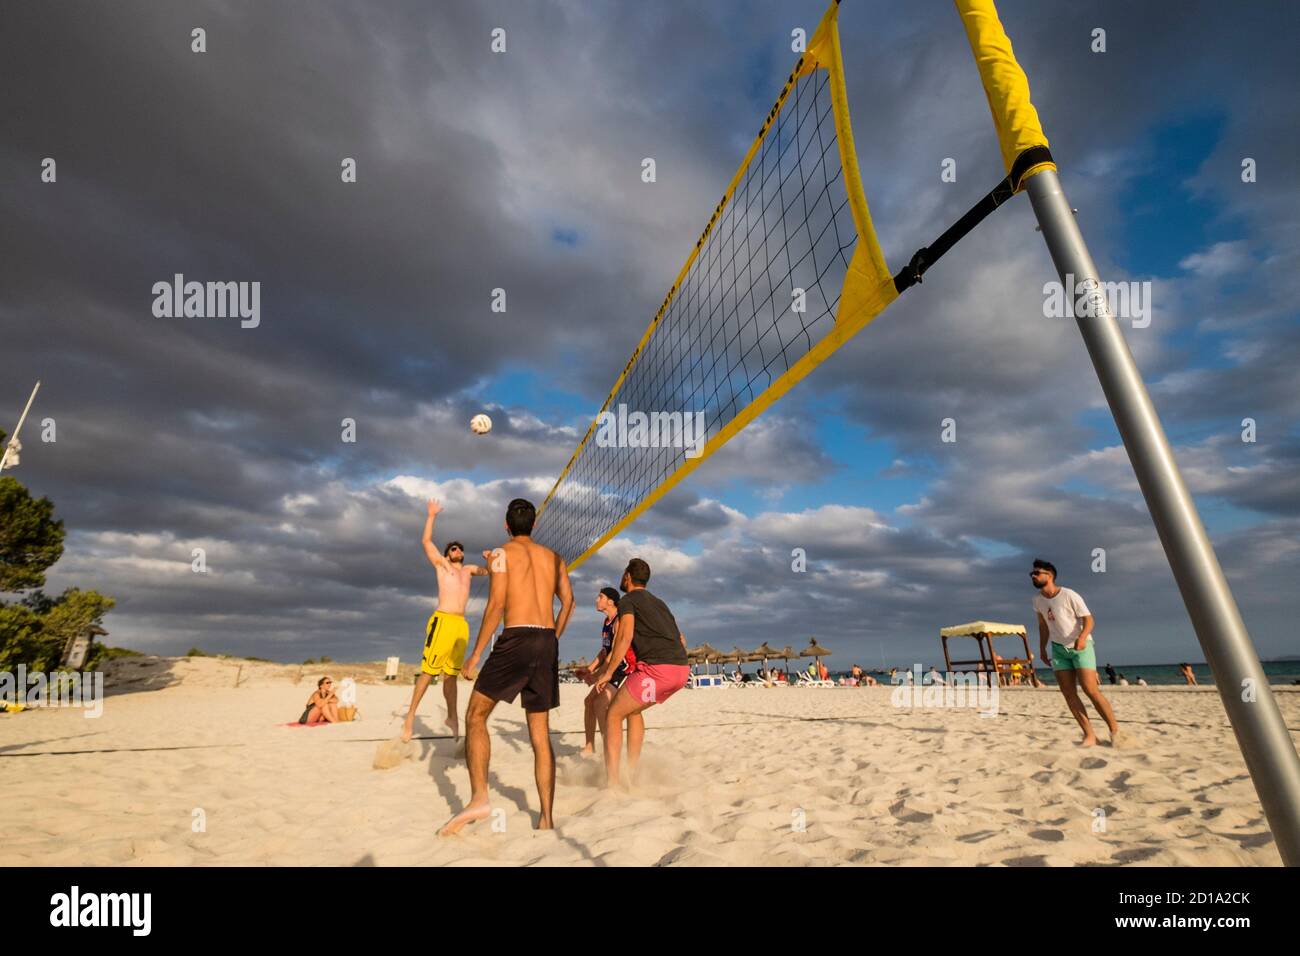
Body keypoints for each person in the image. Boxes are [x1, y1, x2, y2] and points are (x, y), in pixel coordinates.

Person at [440, 499, 575, 835]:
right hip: (546, 640)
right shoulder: (554, 557)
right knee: (540, 735)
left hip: (517, 637)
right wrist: (553, 637)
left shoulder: (502, 553)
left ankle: (480, 798)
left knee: (475, 716)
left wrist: (474, 656)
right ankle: (546, 818)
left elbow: (497, 604)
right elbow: (569, 602)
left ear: (505, 525)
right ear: (534, 524)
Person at [592, 558, 689, 788]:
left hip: (657, 671)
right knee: (632, 711)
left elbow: (624, 638)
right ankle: (633, 773)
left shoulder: (628, 600)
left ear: (627, 576)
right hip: (681, 670)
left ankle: (613, 783)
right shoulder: (660, 603)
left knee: (614, 714)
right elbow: (681, 639)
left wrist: (607, 674)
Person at [401, 499, 488, 743]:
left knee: (451, 675)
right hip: (442, 621)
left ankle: (452, 717)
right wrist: (431, 515)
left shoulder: (468, 569)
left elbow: (490, 571)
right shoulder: (442, 566)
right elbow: (426, 542)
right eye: (453, 549)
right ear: (447, 555)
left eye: (460, 549)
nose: (457, 551)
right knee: (429, 673)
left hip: (460, 626)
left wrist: (491, 558)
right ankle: (410, 717)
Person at [1031, 558, 1121, 747]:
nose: (1033, 576)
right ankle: (1089, 735)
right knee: (1068, 693)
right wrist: (1042, 649)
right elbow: (1043, 626)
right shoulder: (1037, 600)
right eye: (1032, 573)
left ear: (1050, 575)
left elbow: (1089, 620)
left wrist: (1081, 638)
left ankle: (1115, 731)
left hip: (1081, 646)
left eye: (1037, 573)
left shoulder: (1069, 594)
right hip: (1058, 649)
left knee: (1090, 689)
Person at [577, 587, 637, 758]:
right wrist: (588, 669)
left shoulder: (619, 620)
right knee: (589, 702)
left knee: (598, 704)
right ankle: (590, 746)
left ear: (610, 601)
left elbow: (614, 654)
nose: (597, 599)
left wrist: (598, 675)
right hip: (612, 666)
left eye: (600, 597)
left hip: (623, 667)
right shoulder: (606, 622)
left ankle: (608, 747)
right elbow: (604, 652)